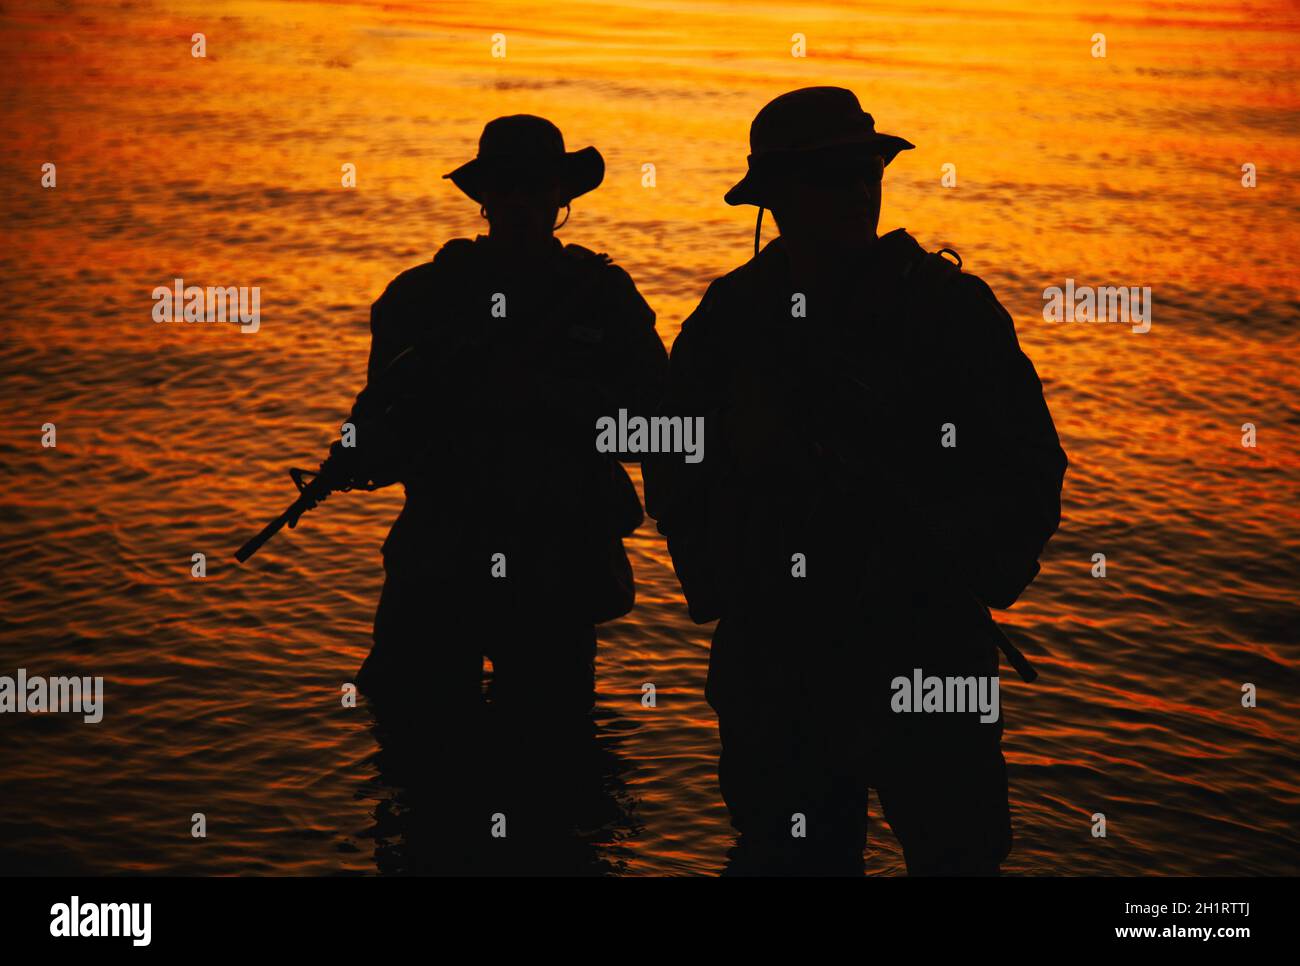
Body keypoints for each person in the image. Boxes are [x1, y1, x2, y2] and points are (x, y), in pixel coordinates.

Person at [643, 87, 1067, 875]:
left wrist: (957, 558)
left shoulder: (949, 309)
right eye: (831, 174)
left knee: (959, 856)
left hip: (930, 645)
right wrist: (738, 554)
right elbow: (669, 470)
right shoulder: (732, 319)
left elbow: (1031, 470)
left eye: (865, 168)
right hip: (780, 658)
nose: (857, 189)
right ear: (774, 196)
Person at [346, 115, 668, 725]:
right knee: (418, 760)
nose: (522, 201)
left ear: (561, 196)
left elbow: (660, 427)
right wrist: (367, 453)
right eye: (508, 186)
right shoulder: (418, 298)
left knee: (549, 759)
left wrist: (551, 403)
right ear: (484, 196)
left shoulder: (604, 296)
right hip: (442, 557)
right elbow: (378, 425)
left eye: (537, 186)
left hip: (556, 564)